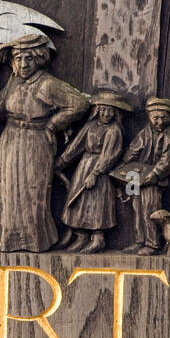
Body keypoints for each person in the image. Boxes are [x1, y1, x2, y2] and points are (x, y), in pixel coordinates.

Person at [0, 32, 89, 252]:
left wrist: (54, 124)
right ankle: (4, 239)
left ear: (38, 58)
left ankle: (34, 240)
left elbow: (80, 103)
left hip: (35, 142)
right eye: (18, 59)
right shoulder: (14, 83)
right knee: (6, 191)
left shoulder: (47, 84)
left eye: (28, 58)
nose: (23, 64)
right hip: (10, 141)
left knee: (32, 193)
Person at [57, 91, 132, 253]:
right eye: (104, 109)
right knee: (79, 201)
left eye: (110, 111)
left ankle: (98, 238)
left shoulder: (114, 131)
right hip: (84, 166)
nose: (106, 114)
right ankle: (81, 236)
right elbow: (76, 146)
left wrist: (95, 173)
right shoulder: (90, 126)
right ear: (97, 110)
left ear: (116, 113)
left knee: (96, 203)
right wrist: (61, 162)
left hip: (99, 171)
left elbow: (109, 156)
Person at [112, 96, 170, 255]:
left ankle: (153, 243)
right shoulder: (144, 133)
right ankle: (139, 240)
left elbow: (168, 160)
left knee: (150, 210)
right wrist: (123, 166)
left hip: (153, 180)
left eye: (163, 118)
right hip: (136, 176)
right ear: (149, 117)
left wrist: (153, 175)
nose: (159, 122)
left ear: (169, 117)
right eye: (155, 118)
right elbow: (133, 150)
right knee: (136, 207)